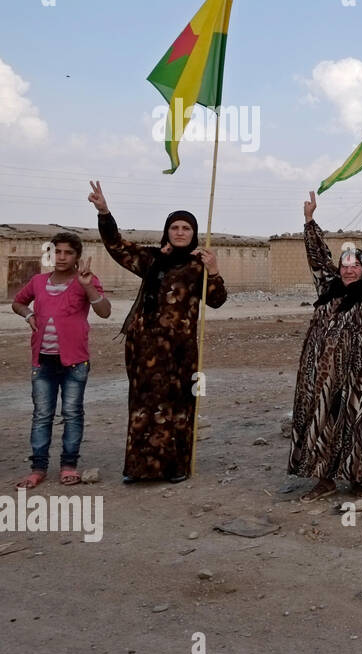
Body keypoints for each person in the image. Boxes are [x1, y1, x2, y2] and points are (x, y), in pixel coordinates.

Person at [89, 181, 226, 483]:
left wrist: (214, 270)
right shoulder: (151, 260)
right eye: (175, 227)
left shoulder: (198, 266)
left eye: (186, 228)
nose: (180, 232)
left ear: (194, 234)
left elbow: (216, 300)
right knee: (143, 405)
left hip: (180, 351)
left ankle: (176, 467)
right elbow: (117, 247)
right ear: (167, 231)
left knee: (179, 404)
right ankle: (140, 469)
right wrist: (104, 213)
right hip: (144, 348)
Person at [290, 192, 362, 502]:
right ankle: (324, 479)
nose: (349, 269)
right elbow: (317, 257)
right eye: (345, 264)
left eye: (356, 265)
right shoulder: (328, 289)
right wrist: (310, 221)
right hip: (322, 371)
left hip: (357, 369)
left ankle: (360, 479)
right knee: (324, 417)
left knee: (358, 420)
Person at [12, 231, 111, 488]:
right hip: (43, 362)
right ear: (51, 253)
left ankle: (69, 466)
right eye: (58, 251)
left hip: (75, 363)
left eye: (68, 252)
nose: (62, 257)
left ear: (77, 257)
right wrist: (27, 315)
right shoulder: (37, 281)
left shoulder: (84, 281)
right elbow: (18, 302)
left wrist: (88, 286)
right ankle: (38, 468)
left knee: (72, 413)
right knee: (42, 414)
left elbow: (104, 311)